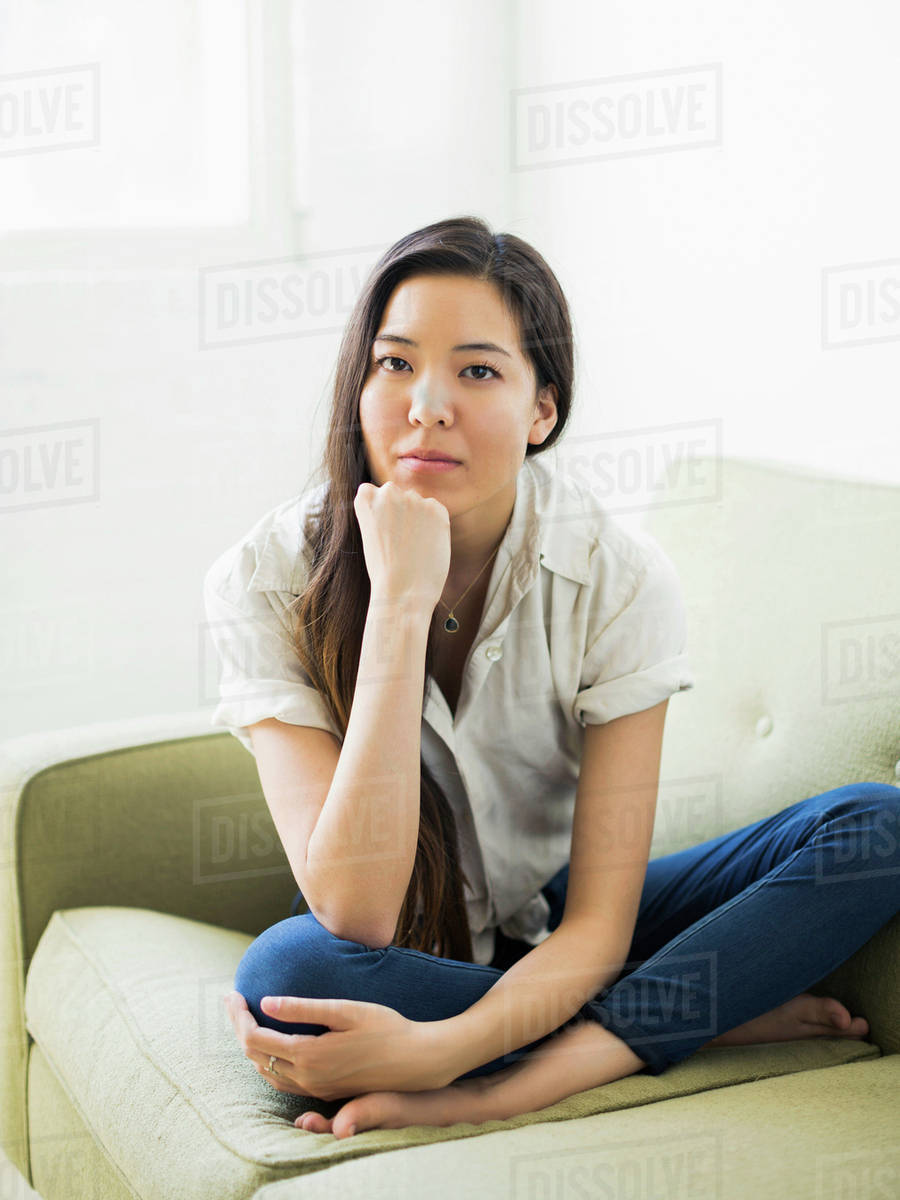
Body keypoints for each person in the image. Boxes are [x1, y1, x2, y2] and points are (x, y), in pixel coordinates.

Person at [205, 215, 900, 1140]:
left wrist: (451, 1066)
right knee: (291, 982)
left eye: (479, 370)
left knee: (877, 830)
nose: (428, 406)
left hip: (558, 923)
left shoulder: (617, 575)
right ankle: (686, 1013)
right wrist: (400, 608)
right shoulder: (265, 577)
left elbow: (597, 932)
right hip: (400, 947)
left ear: (544, 410)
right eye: (396, 363)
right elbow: (356, 911)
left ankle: (558, 1055)